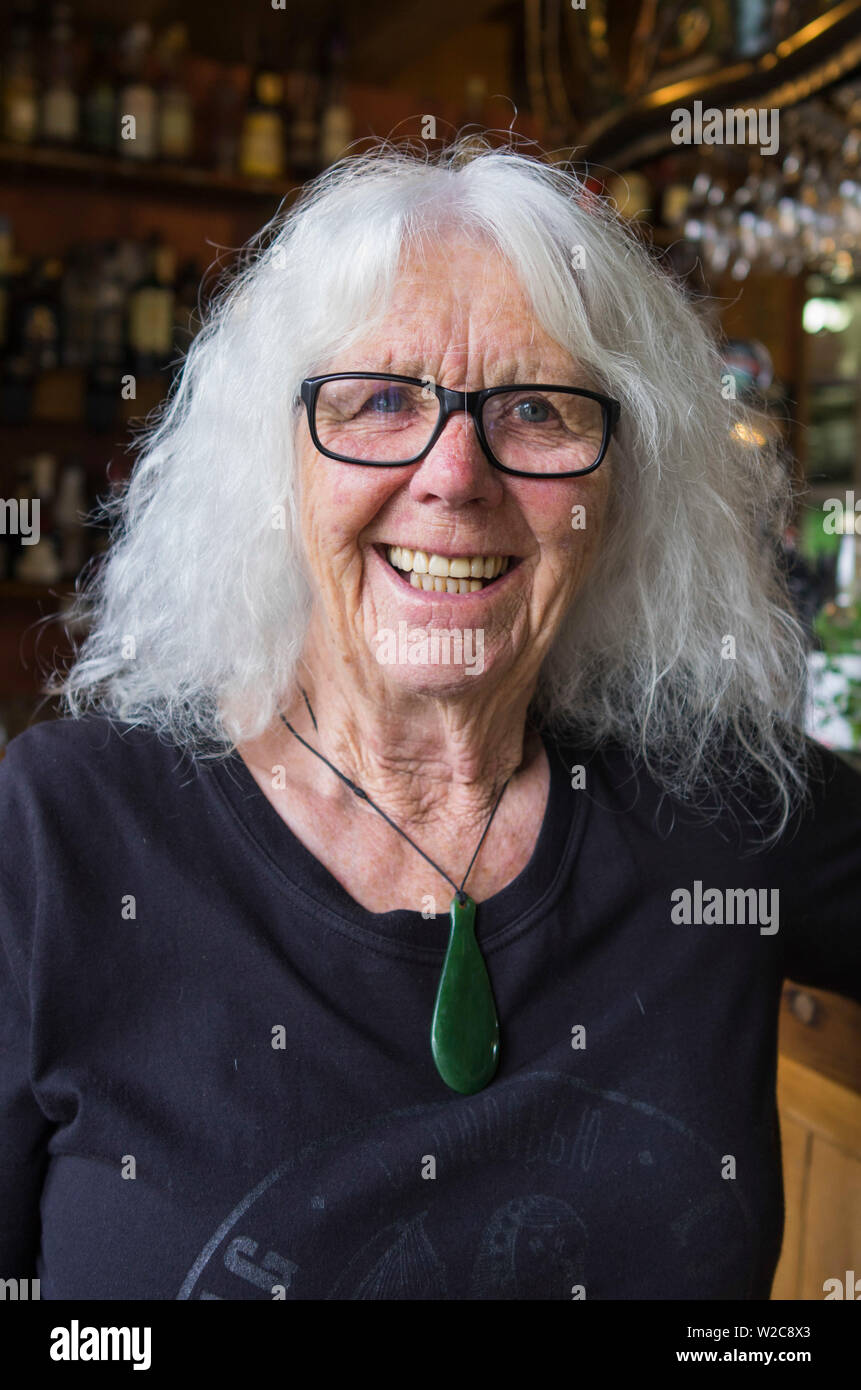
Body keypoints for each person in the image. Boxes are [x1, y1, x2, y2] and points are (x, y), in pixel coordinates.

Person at [1, 138, 858, 1301]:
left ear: (625, 489)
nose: (455, 475)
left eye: (539, 409)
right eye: (380, 400)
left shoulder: (722, 805)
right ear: (275, 467)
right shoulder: (59, 836)